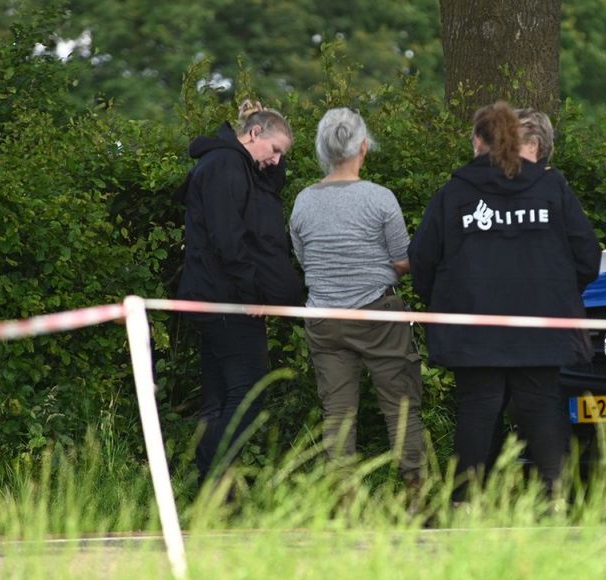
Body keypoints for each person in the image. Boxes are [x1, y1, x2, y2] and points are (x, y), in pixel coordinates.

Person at [409, 102, 601, 503]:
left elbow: (422, 259)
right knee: (543, 407)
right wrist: (558, 294)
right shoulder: (551, 188)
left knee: (478, 410)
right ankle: (557, 499)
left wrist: (444, 302)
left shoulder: (454, 193)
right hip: (542, 325)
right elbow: (588, 257)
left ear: (479, 141)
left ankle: (464, 504)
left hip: (474, 328)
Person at [289, 108, 426, 486]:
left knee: (337, 414)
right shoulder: (380, 199)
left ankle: (344, 503)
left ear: (321, 150)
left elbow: (305, 260)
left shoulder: (303, 201)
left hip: (324, 320)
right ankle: (416, 496)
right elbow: (403, 259)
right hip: (379, 316)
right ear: (363, 147)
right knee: (402, 410)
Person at [177, 100, 302, 484]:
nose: (276, 160)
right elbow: (228, 239)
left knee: (220, 399)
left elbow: (263, 205)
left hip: (217, 298)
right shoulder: (226, 166)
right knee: (249, 395)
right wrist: (252, 294)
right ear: (253, 134)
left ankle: (215, 491)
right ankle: (207, 464)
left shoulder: (232, 164)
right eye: (275, 150)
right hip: (228, 301)